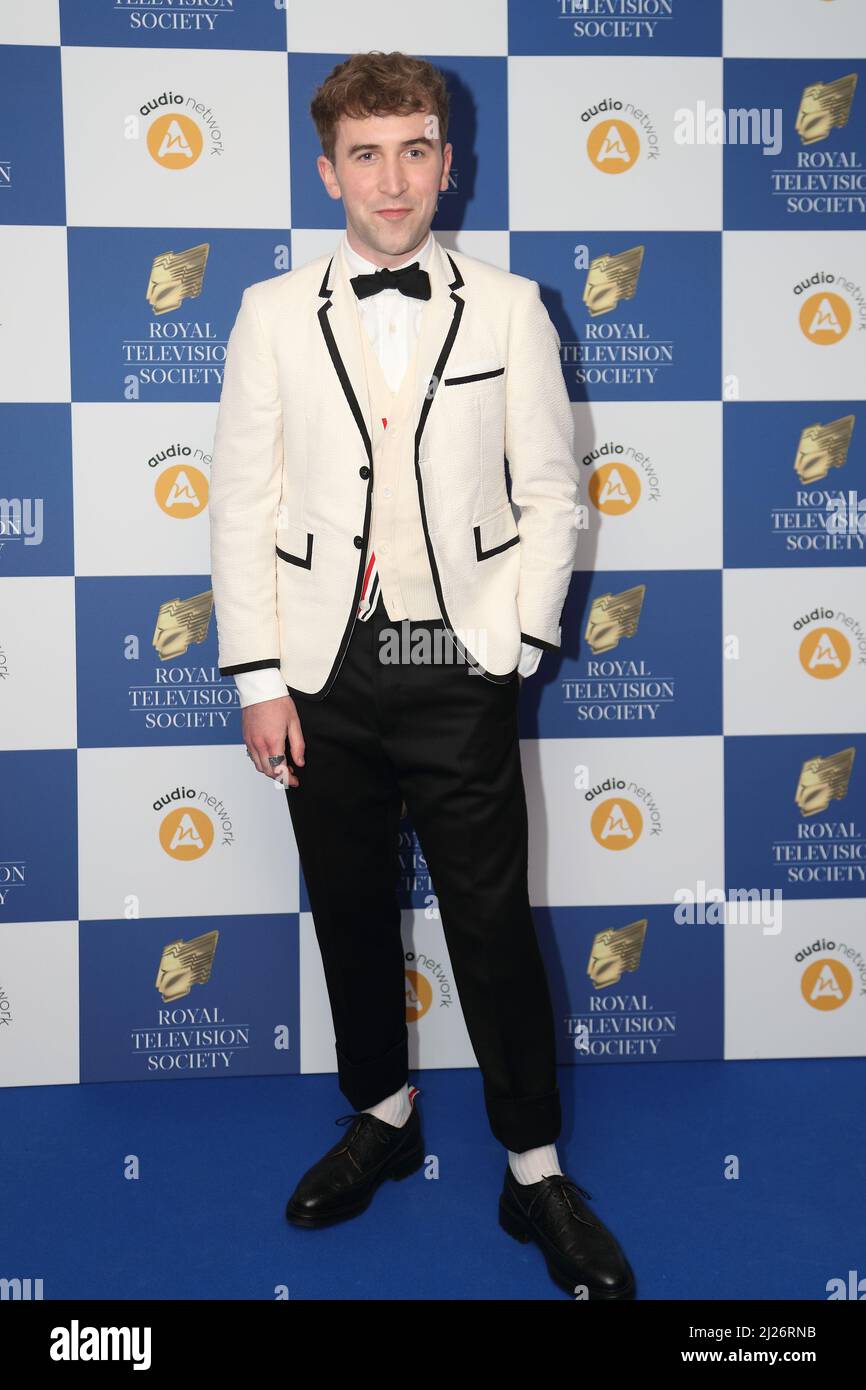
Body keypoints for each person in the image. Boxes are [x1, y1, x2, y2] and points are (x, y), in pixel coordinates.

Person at [209, 49, 634, 1300]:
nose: (390, 180)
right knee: (346, 904)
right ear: (325, 165)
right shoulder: (268, 314)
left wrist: (517, 640)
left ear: (447, 161)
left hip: (458, 658)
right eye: (364, 153)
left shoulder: (509, 306)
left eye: (413, 150)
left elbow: (553, 492)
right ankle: (382, 1119)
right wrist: (255, 676)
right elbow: (241, 503)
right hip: (315, 662)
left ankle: (533, 1166)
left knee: (489, 924)